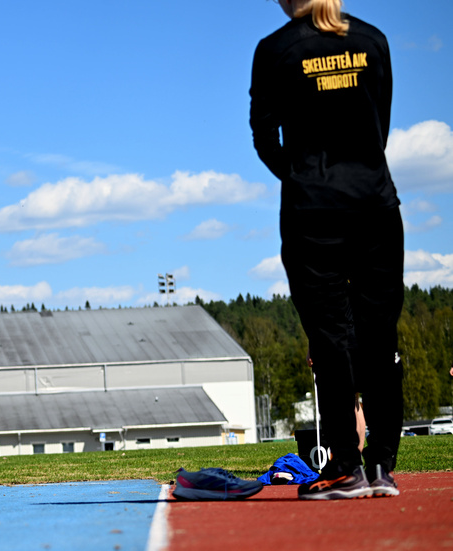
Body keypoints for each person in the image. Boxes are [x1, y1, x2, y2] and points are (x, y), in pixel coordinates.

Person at [250, 0, 404, 500]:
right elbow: (380, 118)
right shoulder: (373, 40)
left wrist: (299, 177)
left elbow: (262, 132)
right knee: (379, 335)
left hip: (313, 211)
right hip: (376, 203)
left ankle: (345, 466)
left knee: (331, 337)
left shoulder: (274, 49)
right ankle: (382, 465)